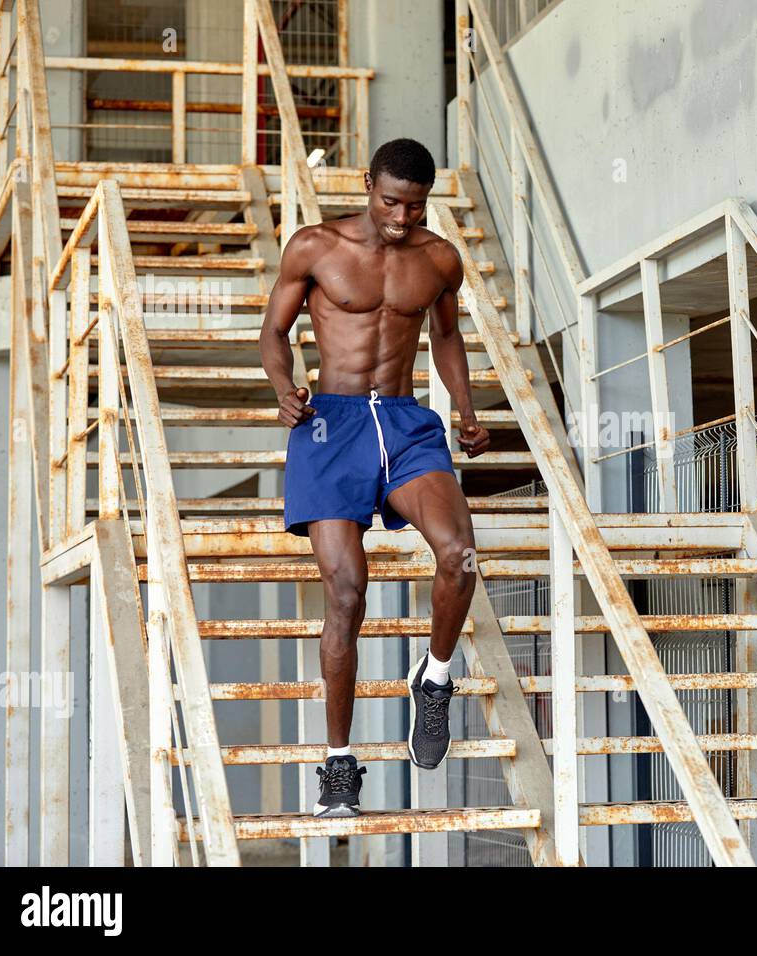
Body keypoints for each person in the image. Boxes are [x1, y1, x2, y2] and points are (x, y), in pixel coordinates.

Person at [259, 137, 490, 818]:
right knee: (348, 595)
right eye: (390, 201)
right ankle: (338, 765)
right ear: (367, 186)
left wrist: (467, 413)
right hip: (329, 427)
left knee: (459, 552)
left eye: (415, 206)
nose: (401, 216)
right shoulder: (314, 247)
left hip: (404, 423)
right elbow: (274, 331)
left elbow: (445, 337)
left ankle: (436, 679)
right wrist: (282, 385)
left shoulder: (439, 259)